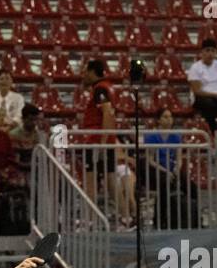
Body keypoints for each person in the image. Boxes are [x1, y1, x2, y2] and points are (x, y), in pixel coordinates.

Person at [79, 58, 133, 229]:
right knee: (110, 181)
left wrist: (103, 141)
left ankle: (89, 222)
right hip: (103, 141)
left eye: (85, 71)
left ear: (92, 72)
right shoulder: (107, 86)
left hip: (97, 142)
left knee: (90, 182)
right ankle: (126, 219)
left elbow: (108, 115)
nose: (83, 75)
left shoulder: (100, 88)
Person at [142, 107, 197, 229]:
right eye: (165, 117)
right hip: (157, 168)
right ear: (159, 120)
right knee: (164, 183)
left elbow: (179, 157)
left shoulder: (176, 136)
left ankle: (195, 219)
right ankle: (159, 220)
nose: (169, 120)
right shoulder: (151, 136)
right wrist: (166, 171)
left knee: (191, 186)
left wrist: (177, 168)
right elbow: (150, 160)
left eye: (170, 117)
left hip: (172, 169)